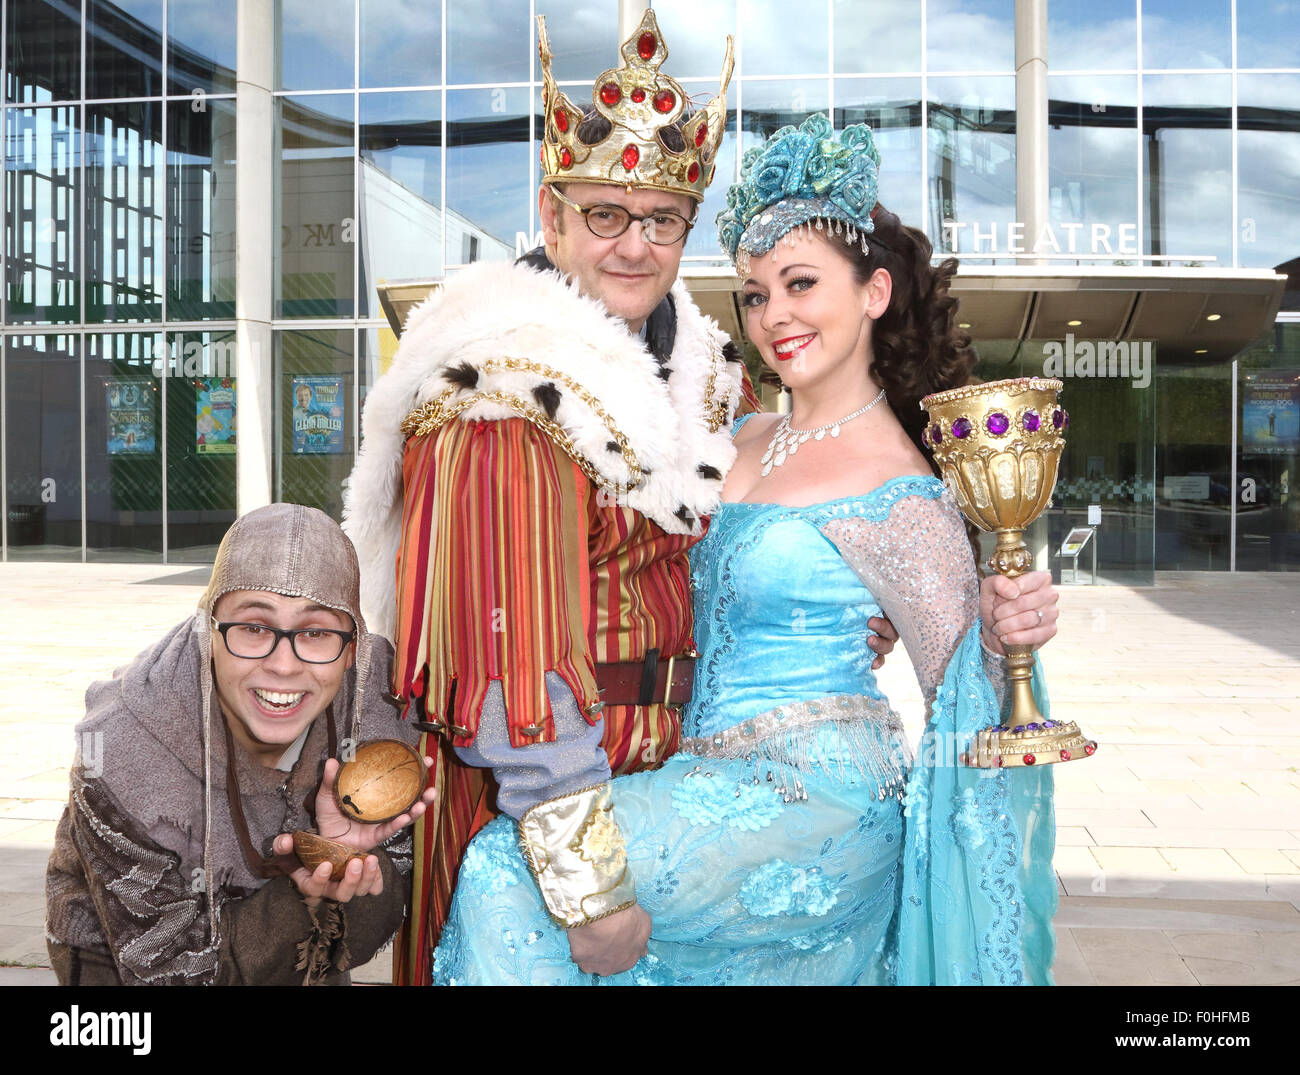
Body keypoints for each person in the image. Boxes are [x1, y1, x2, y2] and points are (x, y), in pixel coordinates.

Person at [343, 12, 1056, 984]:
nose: (635, 244)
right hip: (554, 802)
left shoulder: (707, 394)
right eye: (605, 215)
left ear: (874, 293)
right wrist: (587, 883)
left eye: (661, 220)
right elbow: (508, 653)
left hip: (741, 795)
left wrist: (991, 622)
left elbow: (933, 644)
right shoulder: (506, 394)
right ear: (551, 220)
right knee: (511, 889)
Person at [44, 503, 434, 985]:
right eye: (253, 627)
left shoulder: (382, 712)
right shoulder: (123, 754)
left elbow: (368, 927)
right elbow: (169, 972)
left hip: (301, 954)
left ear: (353, 647)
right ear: (209, 631)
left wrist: (339, 868)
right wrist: (301, 898)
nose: (284, 665)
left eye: (314, 632)